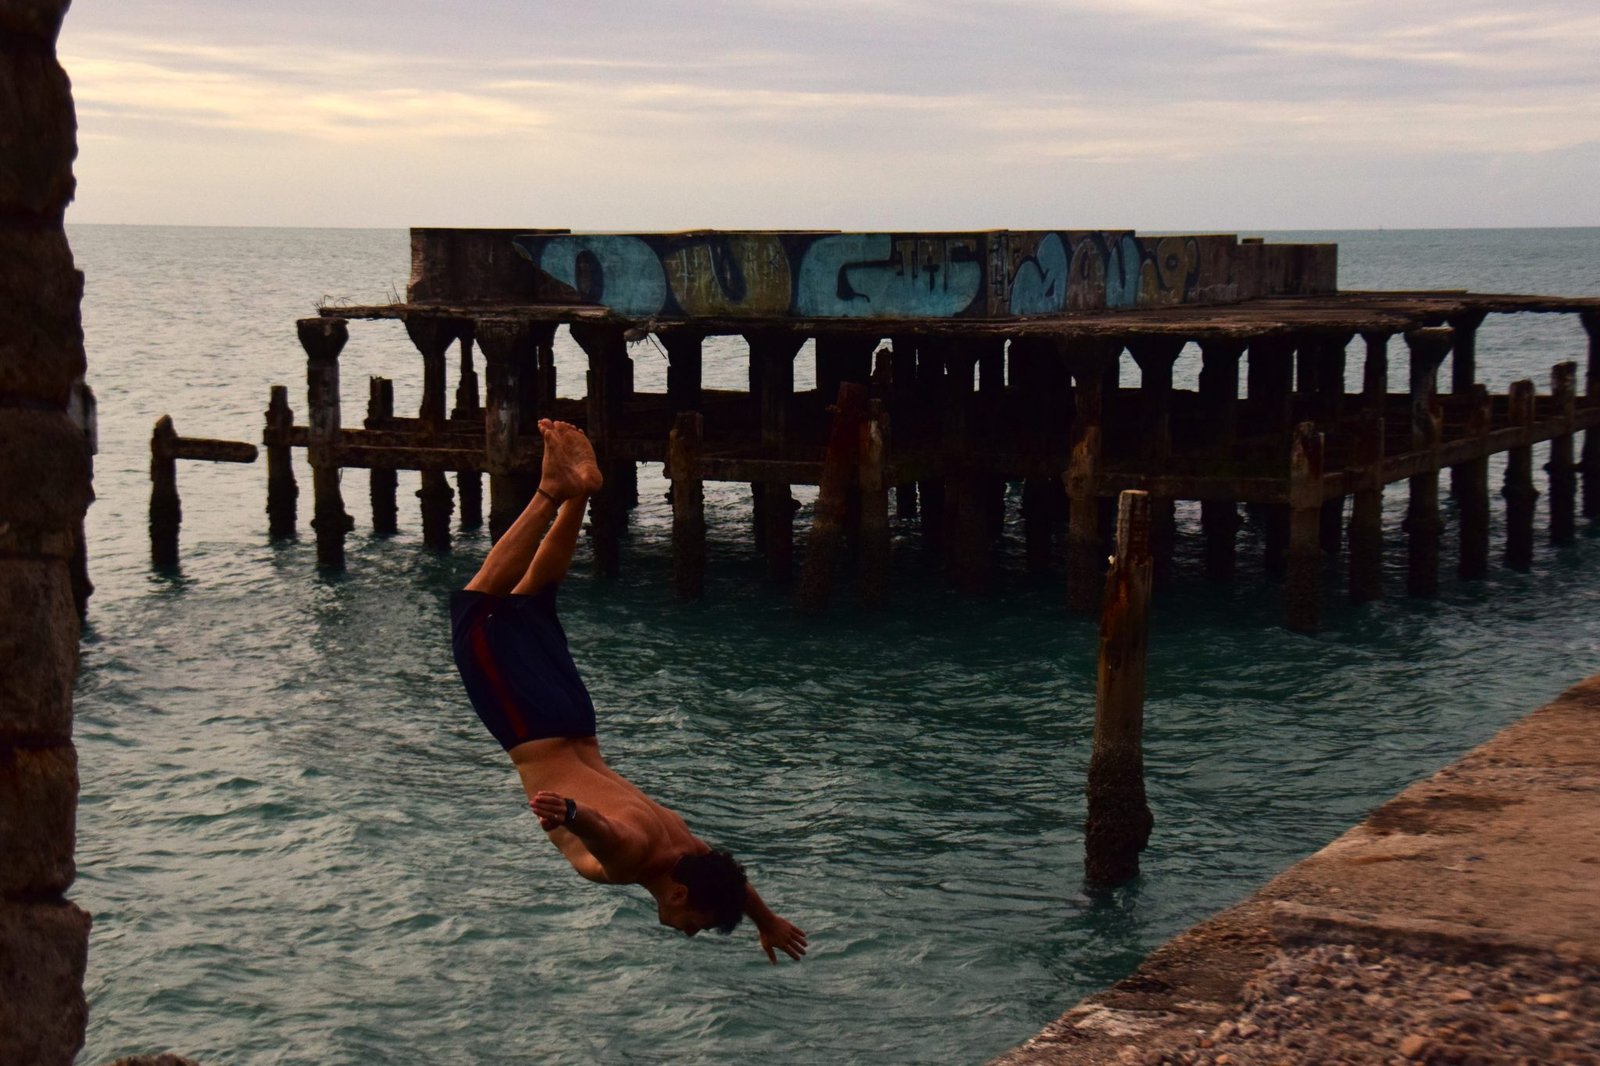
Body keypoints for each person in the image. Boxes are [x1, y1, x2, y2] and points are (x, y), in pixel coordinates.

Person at [451, 420, 807, 963]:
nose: (689, 931)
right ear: (681, 894)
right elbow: (607, 834)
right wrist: (569, 812)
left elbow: (730, 879)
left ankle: (579, 496)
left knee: (532, 599)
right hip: (532, 728)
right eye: (697, 924)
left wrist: (766, 918)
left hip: (577, 721)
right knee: (475, 611)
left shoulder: (685, 846)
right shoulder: (631, 864)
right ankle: (553, 492)